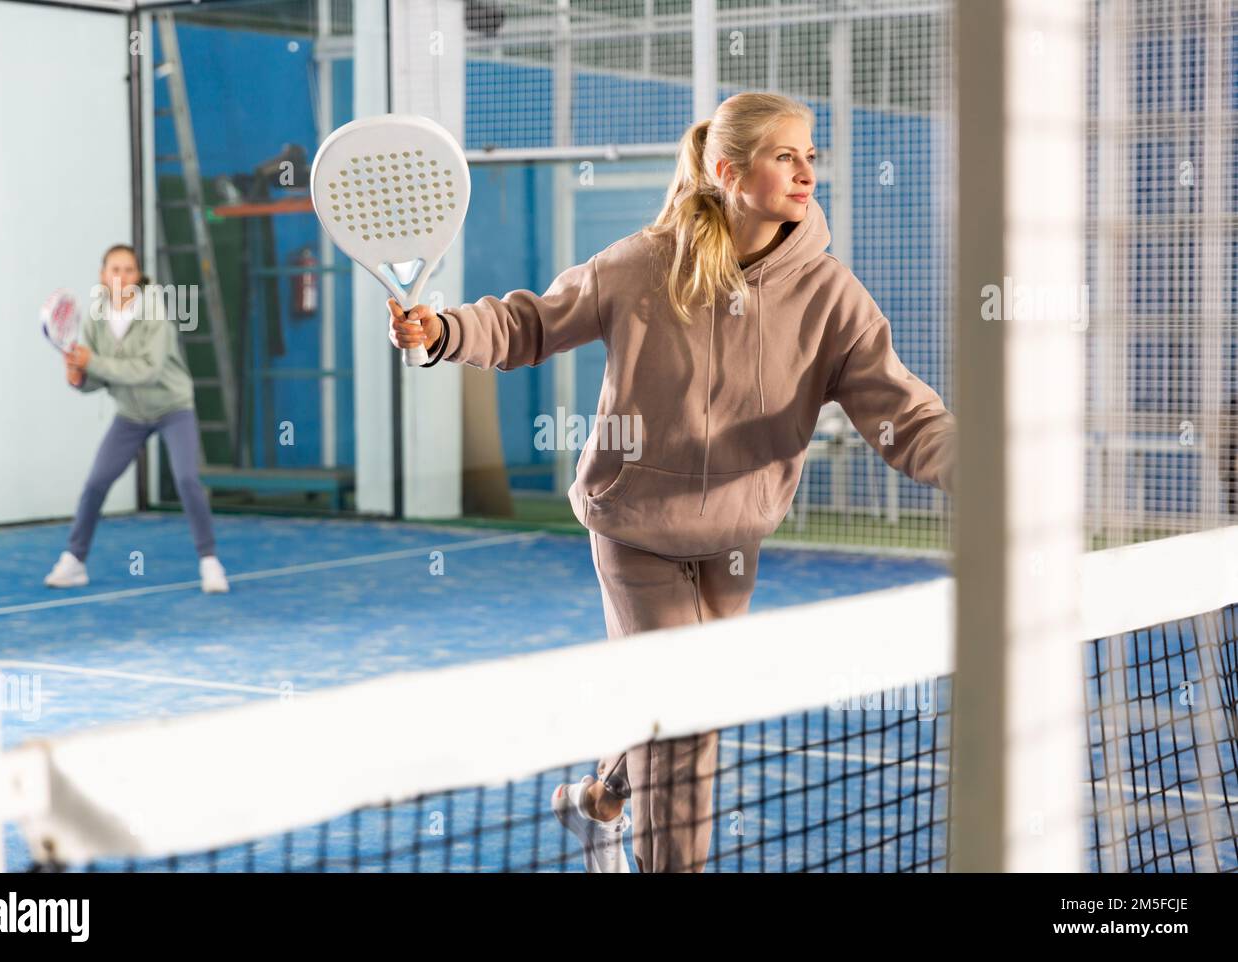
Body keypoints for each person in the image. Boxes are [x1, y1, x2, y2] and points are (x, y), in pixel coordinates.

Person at [388, 92, 956, 872]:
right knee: (689, 721)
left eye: (810, 155)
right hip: (634, 526)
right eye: (785, 155)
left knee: (683, 708)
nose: (806, 172)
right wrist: (445, 329)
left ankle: (597, 803)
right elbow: (532, 321)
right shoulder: (642, 266)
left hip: (732, 539)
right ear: (728, 171)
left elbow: (905, 414)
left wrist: (981, 469)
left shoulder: (831, 297)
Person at [44, 244, 229, 594]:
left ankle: (209, 562)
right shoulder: (97, 317)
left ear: (139, 275)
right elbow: (99, 378)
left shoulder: (155, 310)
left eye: (129, 270)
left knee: (187, 479)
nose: (122, 277)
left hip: (174, 407)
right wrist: (79, 377)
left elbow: (147, 370)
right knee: (96, 484)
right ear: (103, 275)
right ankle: (74, 561)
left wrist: (91, 362)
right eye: (115, 270)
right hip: (130, 415)